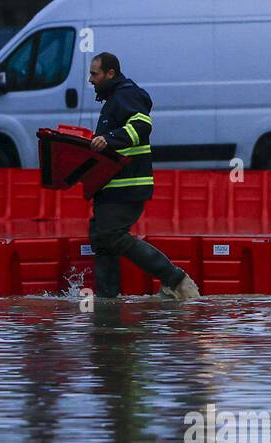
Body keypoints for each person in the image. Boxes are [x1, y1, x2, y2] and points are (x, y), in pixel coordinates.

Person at [86, 52, 199, 301]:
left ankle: (176, 280)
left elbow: (141, 125)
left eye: (94, 74)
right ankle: (107, 302)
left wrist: (110, 139)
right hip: (112, 185)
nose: (90, 80)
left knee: (111, 236)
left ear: (110, 73)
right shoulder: (114, 99)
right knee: (102, 237)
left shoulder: (125, 94)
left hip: (126, 185)